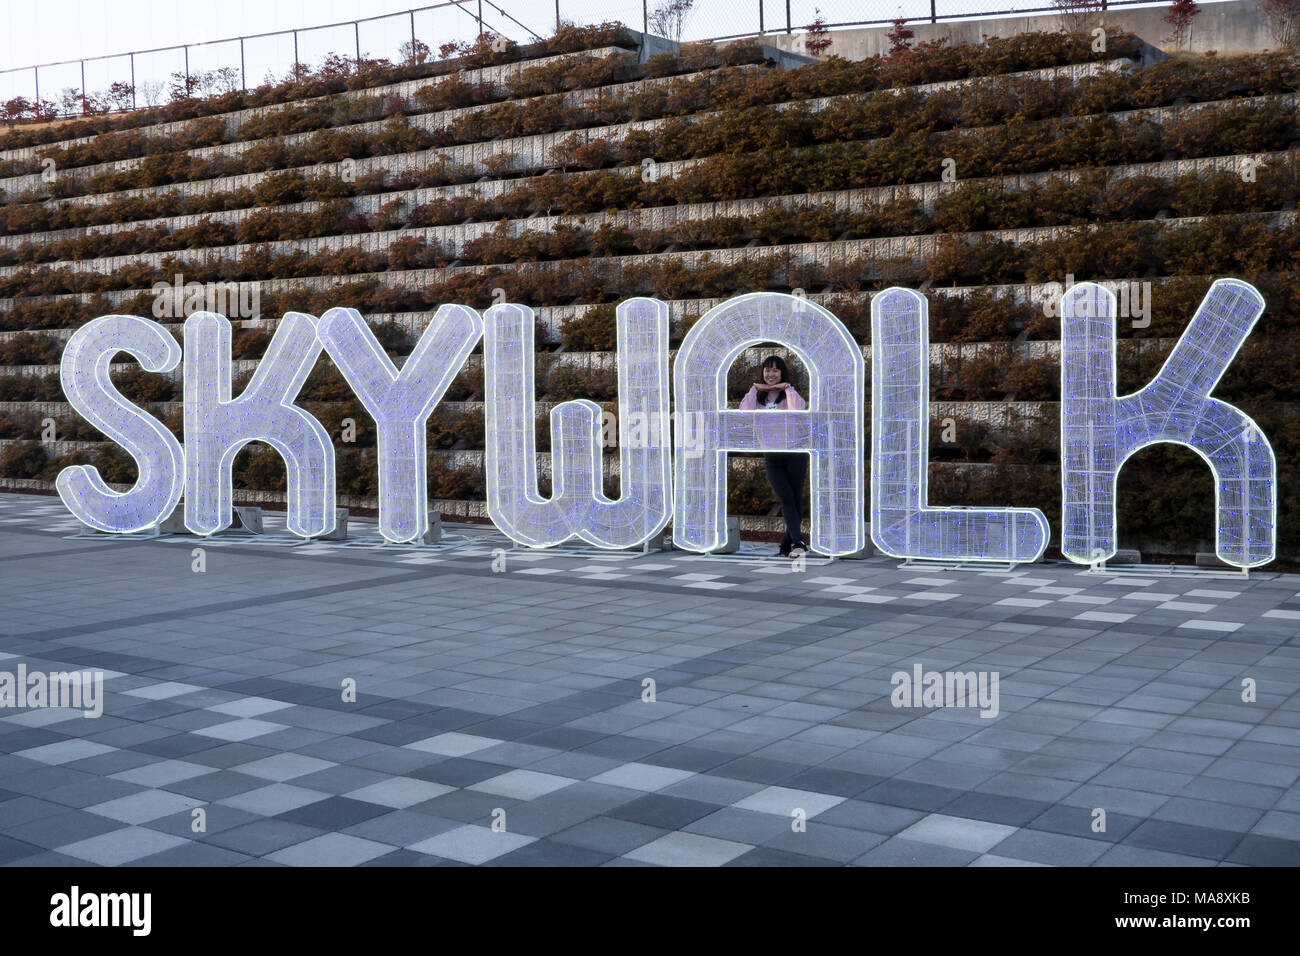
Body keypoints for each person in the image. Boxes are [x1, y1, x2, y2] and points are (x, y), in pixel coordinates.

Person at [740, 355, 809, 559]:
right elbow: (744, 411)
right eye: (767, 370)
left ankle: (790, 544)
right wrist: (755, 389)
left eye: (775, 370)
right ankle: (796, 542)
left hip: (794, 452)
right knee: (786, 498)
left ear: (782, 373)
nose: (771, 374)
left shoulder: (788, 394)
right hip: (772, 455)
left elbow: (798, 408)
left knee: (795, 500)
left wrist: (787, 387)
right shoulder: (759, 397)